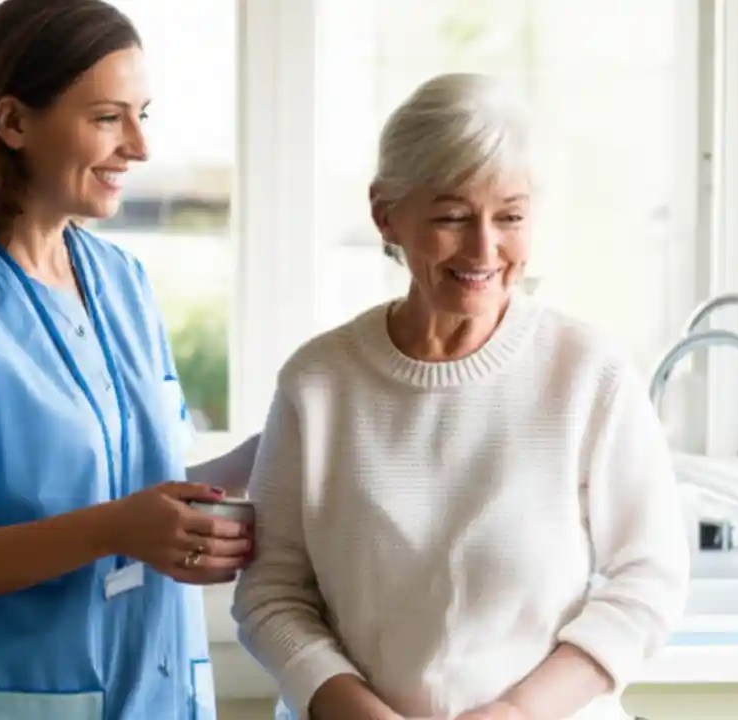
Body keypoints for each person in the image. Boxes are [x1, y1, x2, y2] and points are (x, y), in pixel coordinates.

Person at [232, 73, 689, 720]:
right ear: (384, 213)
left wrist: (516, 713)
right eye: (451, 216)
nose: (483, 249)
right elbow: (271, 594)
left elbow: (649, 581)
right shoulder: (318, 382)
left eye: (510, 217)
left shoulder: (590, 373)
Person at [0, 1, 257, 718]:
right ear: (12, 123)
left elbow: (136, 490)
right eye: (107, 117)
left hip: (156, 696)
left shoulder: (122, 284)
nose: (138, 146)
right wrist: (116, 529)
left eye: (143, 114)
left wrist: (278, 447)